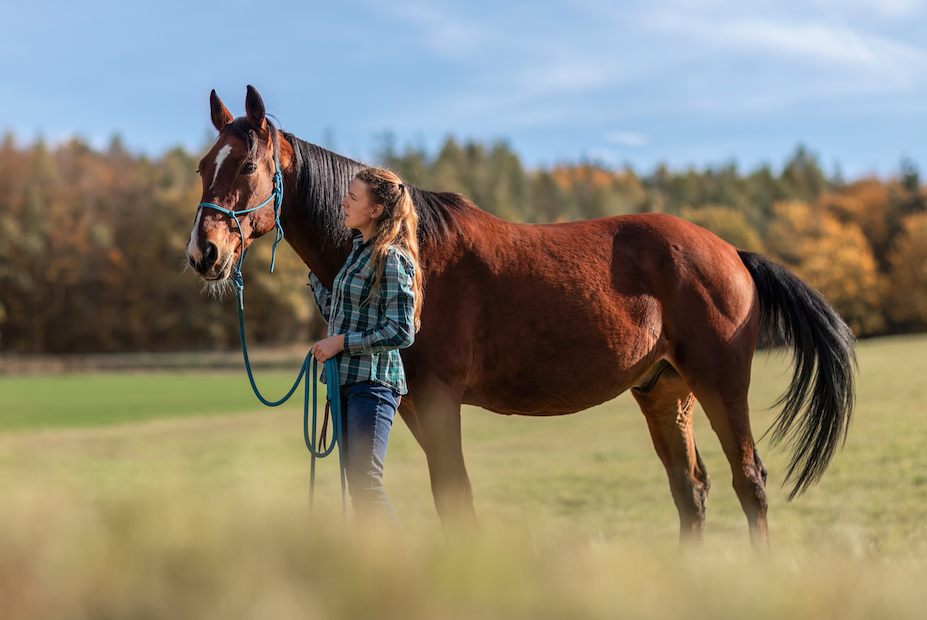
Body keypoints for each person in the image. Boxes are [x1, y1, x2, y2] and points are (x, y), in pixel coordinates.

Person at [308, 166, 423, 533]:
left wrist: (340, 343)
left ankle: (398, 569)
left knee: (366, 484)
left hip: (373, 386)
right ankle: (373, 565)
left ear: (375, 210)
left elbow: (401, 331)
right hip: (347, 383)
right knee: (358, 487)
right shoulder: (358, 253)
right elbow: (339, 312)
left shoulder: (392, 258)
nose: (343, 201)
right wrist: (313, 272)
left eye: (353, 197)